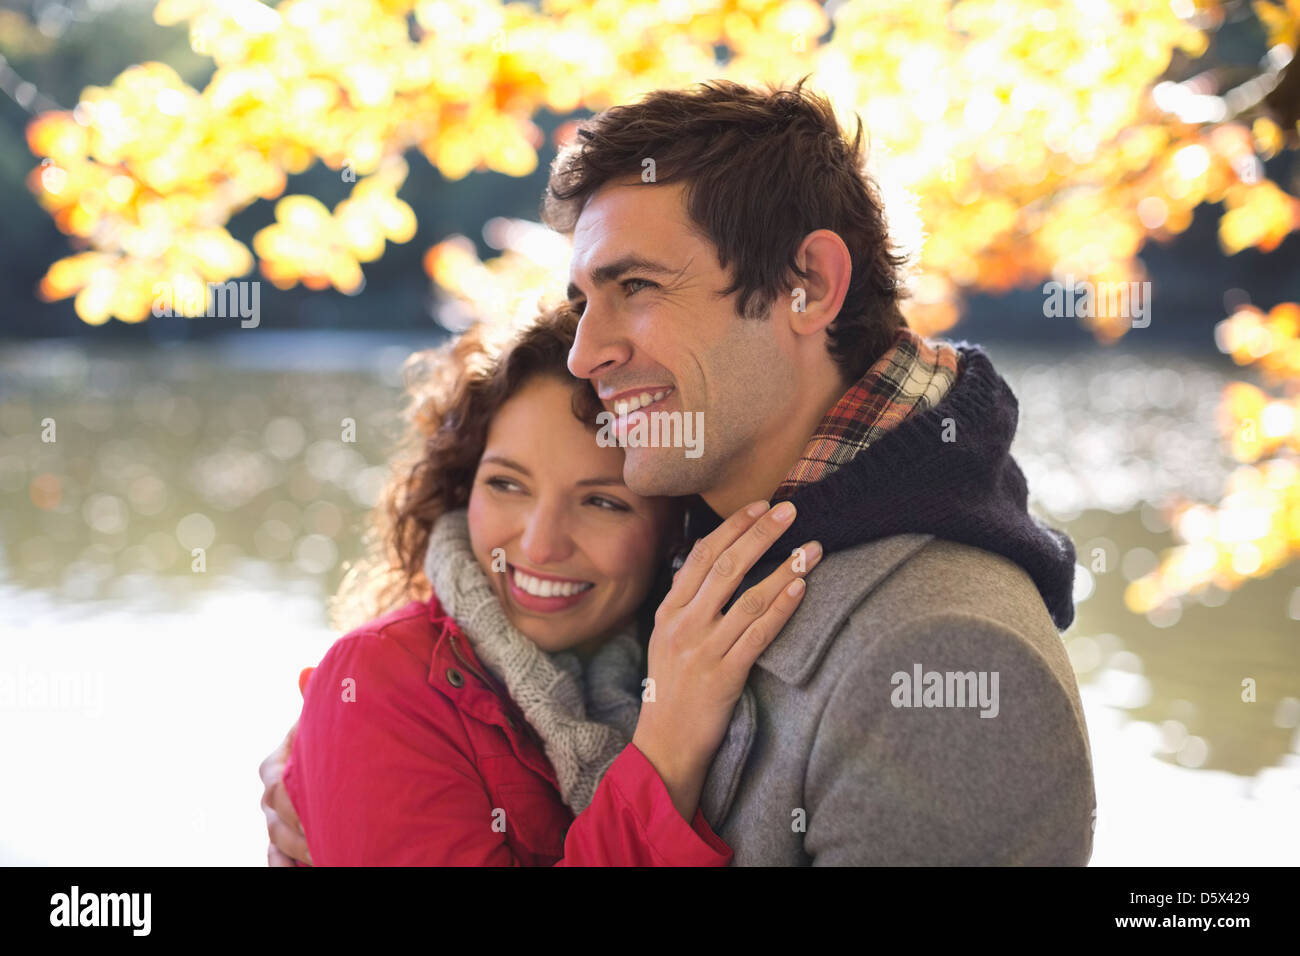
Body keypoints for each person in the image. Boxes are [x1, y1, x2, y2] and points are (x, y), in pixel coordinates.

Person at [265, 77, 1096, 865]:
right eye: (588, 298)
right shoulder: (699, 553)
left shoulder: (947, 656)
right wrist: (345, 768)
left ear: (808, 285)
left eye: (637, 285)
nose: (588, 352)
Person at [270, 303, 821, 865]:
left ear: (673, 532)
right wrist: (667, 756)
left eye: (601, 502)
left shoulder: (665, 668)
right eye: (507, 484)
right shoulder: (378, 677)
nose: (538, 545)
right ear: (464, 485)